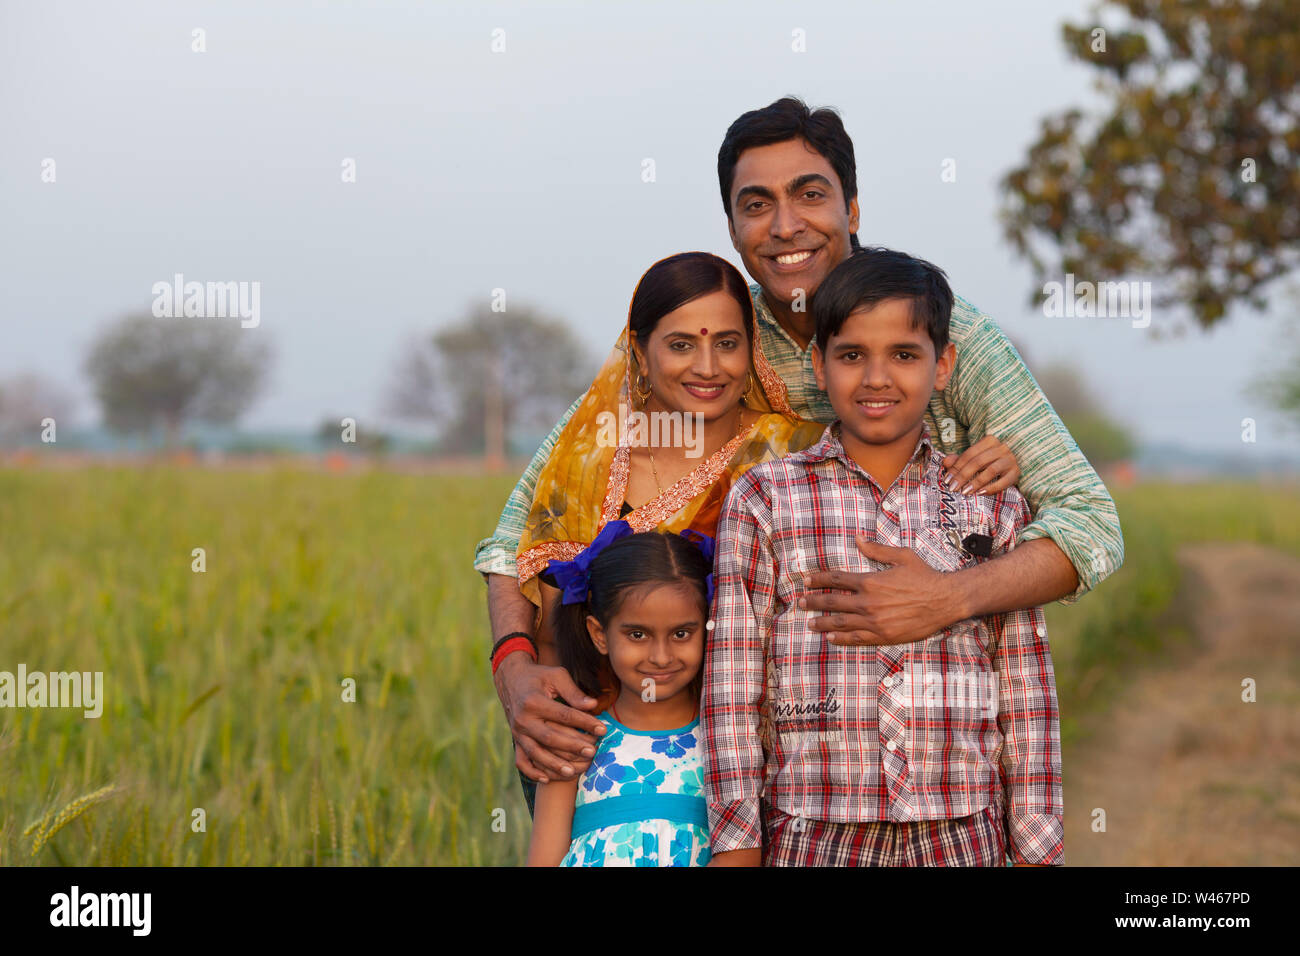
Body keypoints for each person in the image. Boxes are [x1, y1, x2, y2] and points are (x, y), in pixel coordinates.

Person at [478, 96, 1120, 795]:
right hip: (710, 743)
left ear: (853, 207)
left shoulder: (939, 333)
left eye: (810, 195)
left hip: (930, 745)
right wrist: (516, 666)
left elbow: (1091, 523)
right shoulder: (713, 333)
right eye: (756, 204)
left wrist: (946, 597)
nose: (785, 226)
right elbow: (518, 535)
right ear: (731, 225)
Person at [702, 248, 1063, 866]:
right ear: (818, 364)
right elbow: (733, 689)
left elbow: (1026, 693)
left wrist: (1035, 846)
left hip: (962, 833)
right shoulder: (766, 499)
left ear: (943, 364)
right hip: (812, 832)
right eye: (850, 356)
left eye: (903, 354)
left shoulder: (991, 506)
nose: (876, 378)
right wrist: (738, 846)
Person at [495, 250, 831, 815]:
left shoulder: (799, 450)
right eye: (681, 345)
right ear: (641, 357)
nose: (709, 366)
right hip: (603, 759)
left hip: (758, 763)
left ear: (752, 353)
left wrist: (989, 458)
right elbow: (555, 630)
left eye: (727, 343)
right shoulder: (589, 456)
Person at [526, 528, 717, 867]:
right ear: (600, 635)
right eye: (638, 634)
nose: (661, 656)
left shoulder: (726, 740)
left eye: (681, 633)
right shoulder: (574, 743)